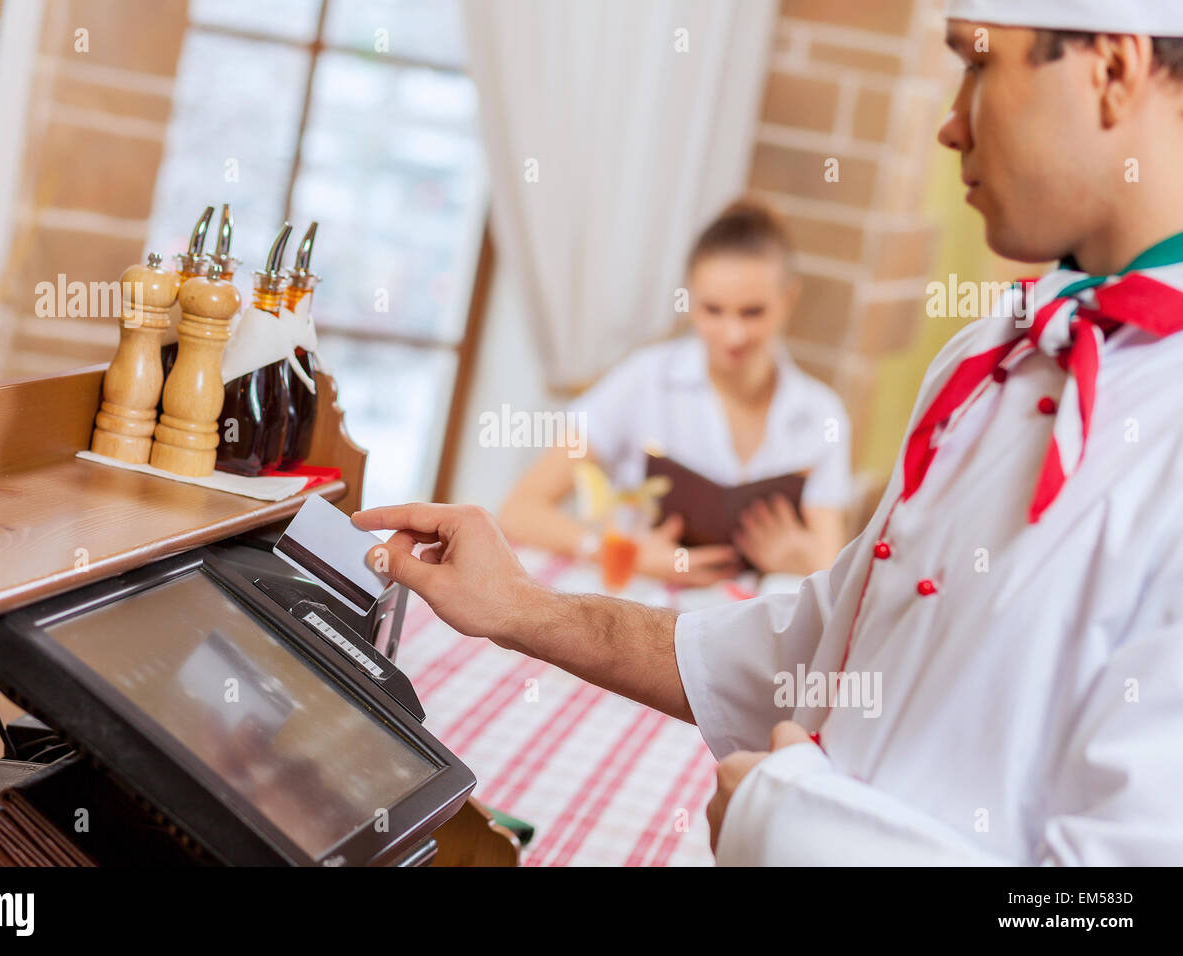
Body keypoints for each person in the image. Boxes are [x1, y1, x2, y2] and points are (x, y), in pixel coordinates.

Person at [354, 0, 1183, 865]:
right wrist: (522, 609)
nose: (950, 124)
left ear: (1112, 70)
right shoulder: (990, 354)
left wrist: (791, 830)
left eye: (978, 65)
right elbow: (798, 646)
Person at [497, 202, 852, 583]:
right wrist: (623, 551)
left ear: (788, 300)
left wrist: (802, 559)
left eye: (752, 313)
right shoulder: (643, 379)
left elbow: (831, 568)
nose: (733, 335)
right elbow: (519, 511)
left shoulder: (822, 415)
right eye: (713, 310)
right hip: (641, 613)